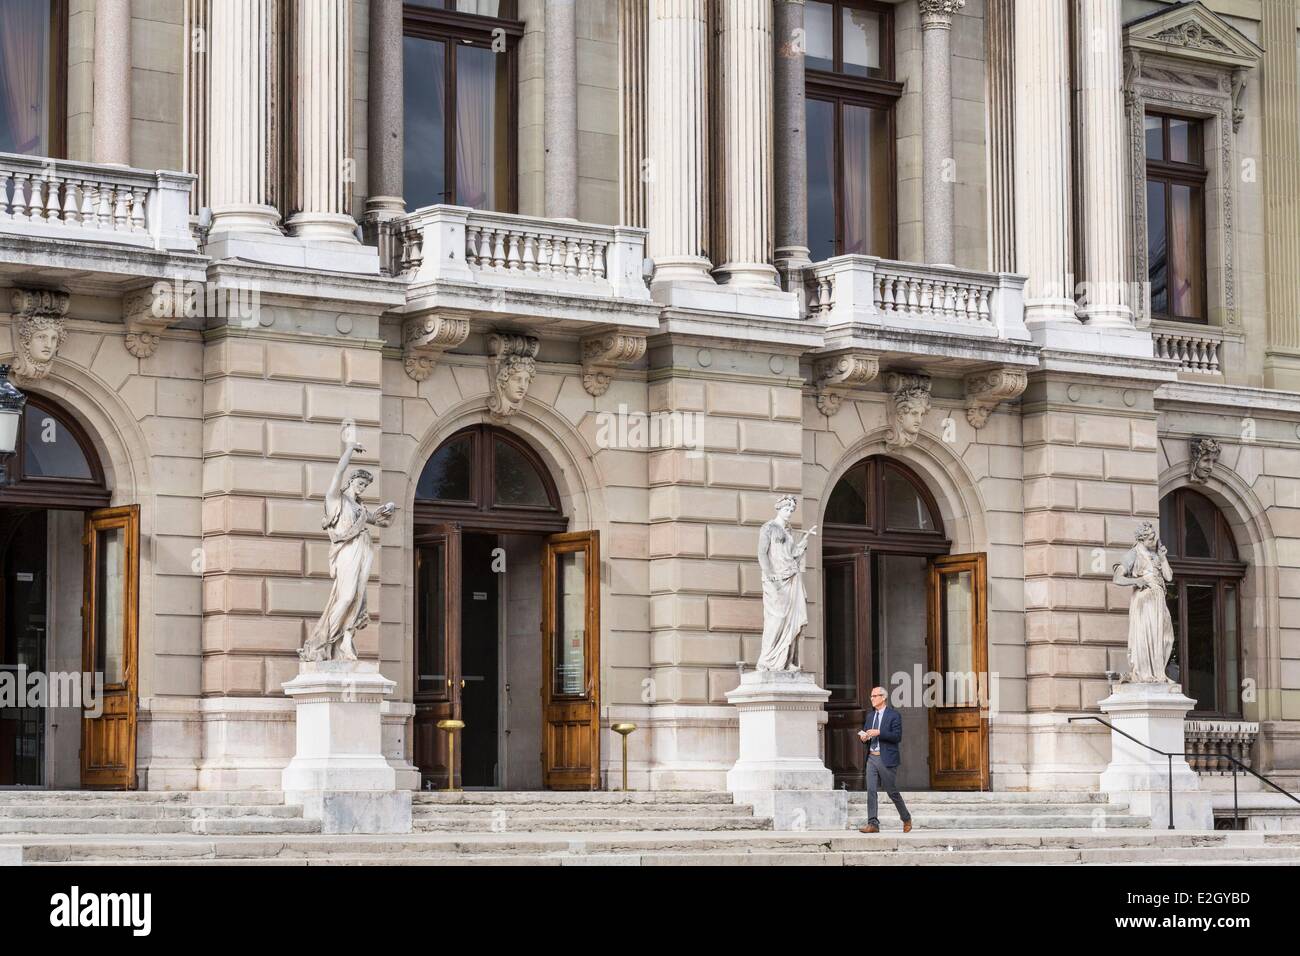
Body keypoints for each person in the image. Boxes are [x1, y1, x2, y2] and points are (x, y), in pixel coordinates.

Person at [858, 686, 913, 834]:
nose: (872, 699)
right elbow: (867, 734)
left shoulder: (894, 715)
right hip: (872, 757)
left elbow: (897, 737)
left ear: (883, 697)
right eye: (871, 696)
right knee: (870, 790)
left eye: (875, 696)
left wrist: (879, 732)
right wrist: (864, 738)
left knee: (891, 791)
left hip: (886, 758)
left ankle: (906, 817)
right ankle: (873, 824)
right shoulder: (870, 716)